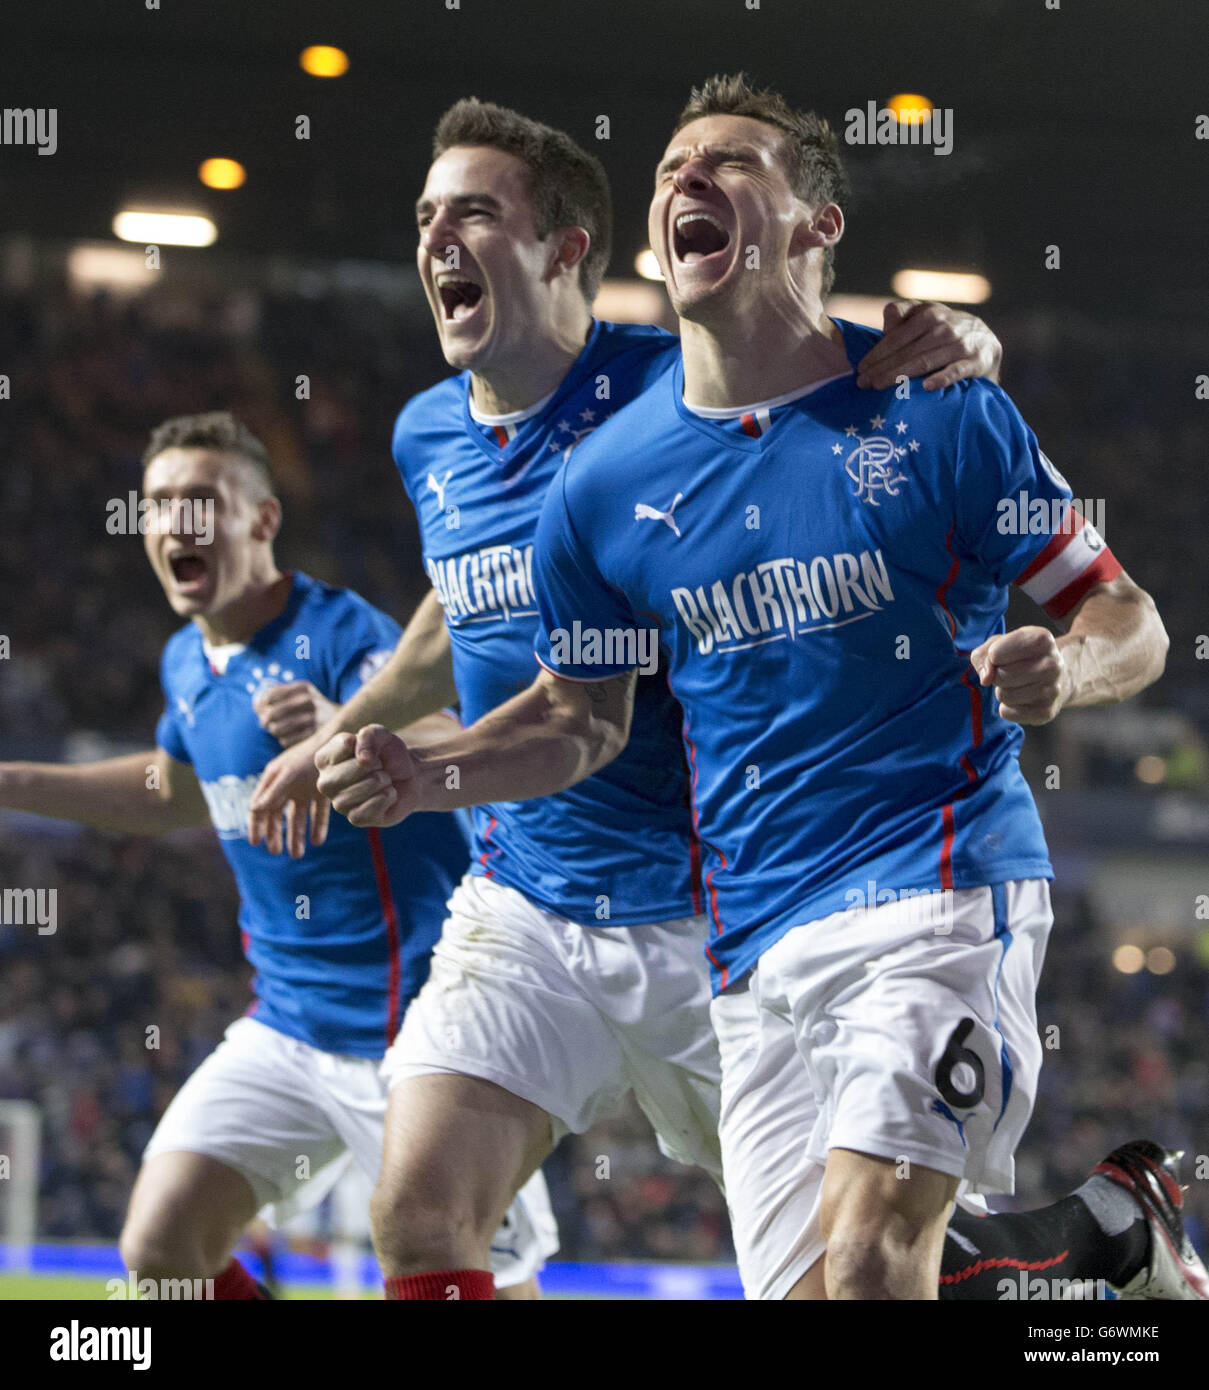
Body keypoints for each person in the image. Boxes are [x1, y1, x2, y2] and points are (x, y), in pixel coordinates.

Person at [313, 82, 1206, 1302]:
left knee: (872, 1262)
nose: (686, 180)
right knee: (842, 1287)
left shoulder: (939, 412)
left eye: (728, 163)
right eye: (673, 166)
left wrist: (1073, 668)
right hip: (751, 943)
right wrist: (430, 767)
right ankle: (1107, 1234)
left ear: (816, 226)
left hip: (938, 881)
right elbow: (580, 714)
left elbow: (1131, 618)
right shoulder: (602, 481)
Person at [0, 411, 555, 1299]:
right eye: (156, 505)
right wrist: (14, 781)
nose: (175, 523)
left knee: (467, 1270)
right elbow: (173, 792)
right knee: (161, 1244)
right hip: (290, 1023)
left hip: (418, 1028)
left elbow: (454, 735)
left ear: (261, 520)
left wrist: (356, 725)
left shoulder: (337, 633)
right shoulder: (189, 660)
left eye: (200, 502)